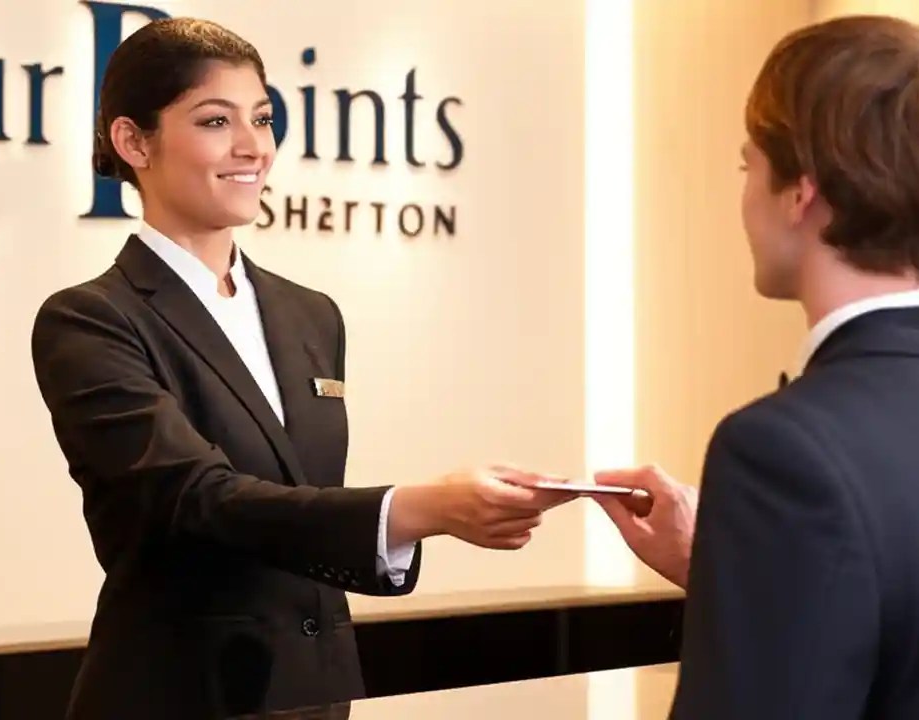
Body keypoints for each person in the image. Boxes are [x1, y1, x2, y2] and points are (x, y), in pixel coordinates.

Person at [592, 14, 919, 720]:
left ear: (801, 191)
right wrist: (739, 572)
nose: (744, 194)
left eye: (747, 164)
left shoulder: (780, 454)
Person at [30, 17, 567, 719]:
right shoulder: (92, 319)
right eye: (216, 121)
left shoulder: (311, 315)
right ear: (135, 141)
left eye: (263, 118)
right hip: (177, 697)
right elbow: (198, 501)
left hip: (314, 693)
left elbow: (298, 502)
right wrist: (421, 508)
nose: (254, 147)